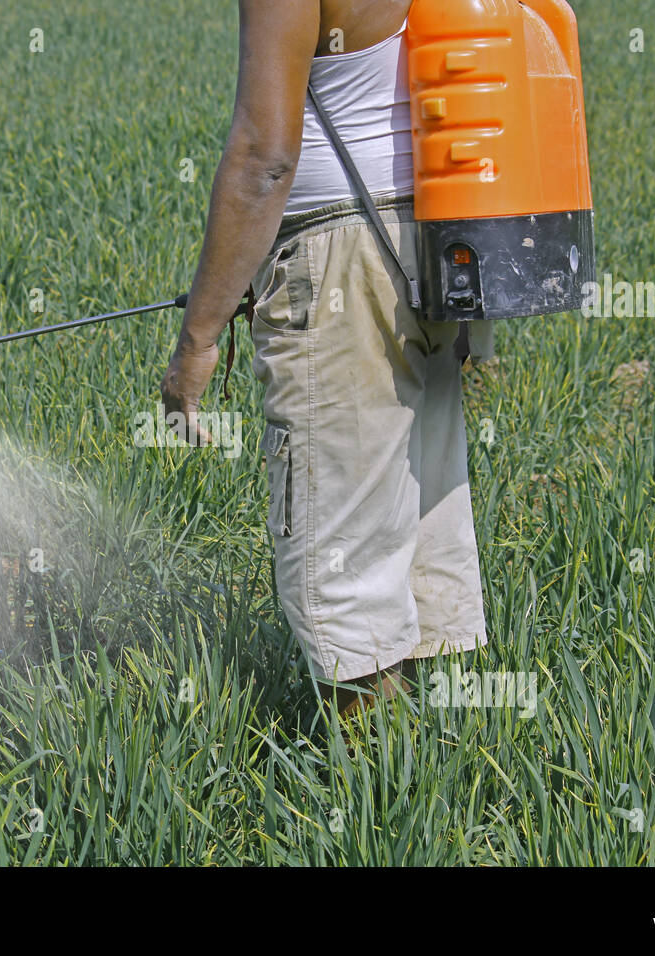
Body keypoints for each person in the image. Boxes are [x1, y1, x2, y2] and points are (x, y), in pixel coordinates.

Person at [159, 0, 491, 716]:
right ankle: (432, 785)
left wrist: (198, 339)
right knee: (413, 522)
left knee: (341, 557)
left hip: (343, 263)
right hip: (431, 241)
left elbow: (264, 157)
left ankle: (371, 814)